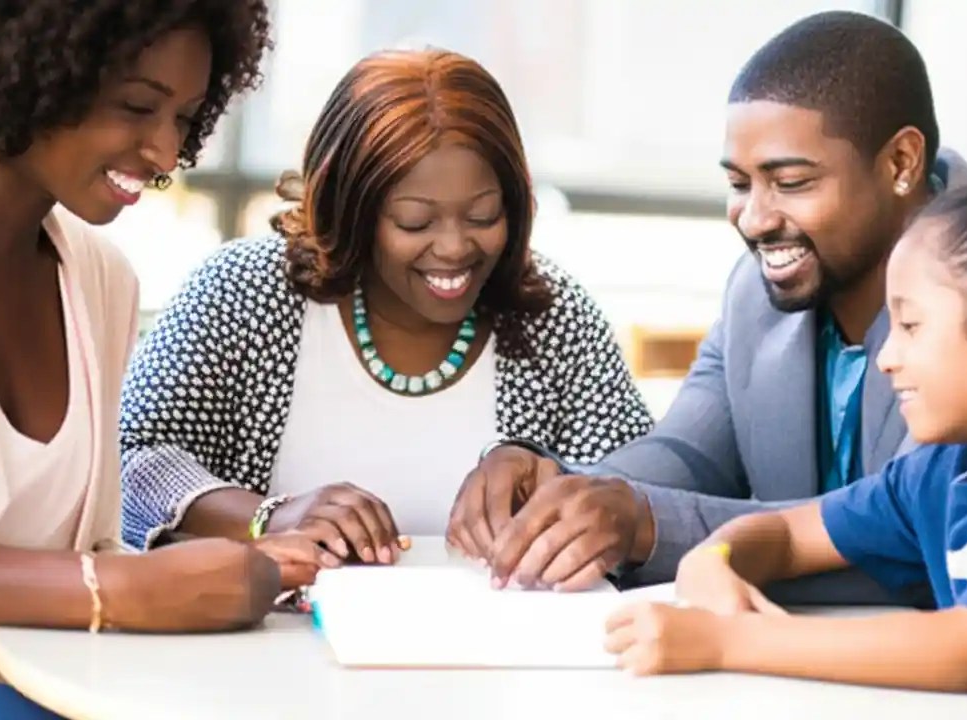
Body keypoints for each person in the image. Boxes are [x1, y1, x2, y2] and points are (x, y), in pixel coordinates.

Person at [447, 11, 967, 600]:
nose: (753, 217)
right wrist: (567, 486)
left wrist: (640, 524)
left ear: (900, 163)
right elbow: (689, 453)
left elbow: (912, 547)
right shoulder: (760, 290)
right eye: (740, 183)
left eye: (791, 181)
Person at [604, 168, 967, 720]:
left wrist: (725, 641)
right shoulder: (945, 468)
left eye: (911, 327)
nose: (886, 358)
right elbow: (788, 535)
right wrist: (714, 560)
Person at [118, 48, 654, 568]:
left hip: (493, 654)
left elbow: (640, 491)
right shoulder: (243, 293)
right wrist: (270, 516)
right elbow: (130, 459)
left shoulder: (553, 320)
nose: (453, 248)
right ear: (351, 211)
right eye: (415, 223)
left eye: (484, 216)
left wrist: (560, 493)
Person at [0, 1, 326, 716]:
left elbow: (88, 546)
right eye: (137, 107)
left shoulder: (100, 280)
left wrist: (226, 572)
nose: (163, 154)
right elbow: (90, 576)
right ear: (35, 69)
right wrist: (119, 588)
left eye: (185, 120)